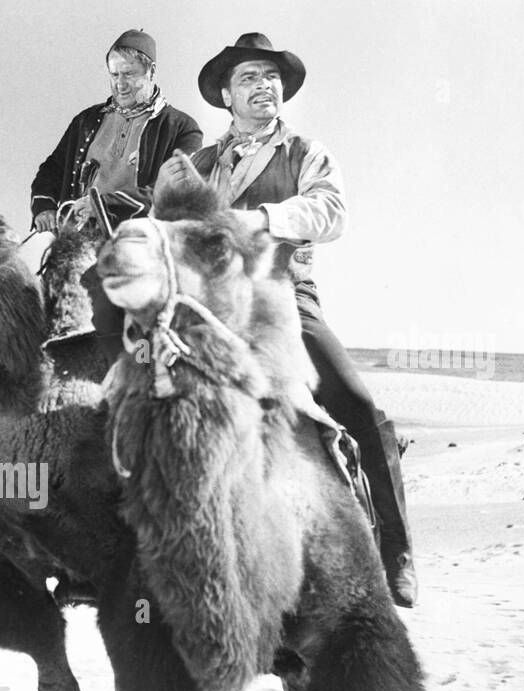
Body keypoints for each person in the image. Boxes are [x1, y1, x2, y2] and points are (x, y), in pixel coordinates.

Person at [182, 32, 417, 607]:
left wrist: (261, 217)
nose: (264, 86)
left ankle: (396, 552)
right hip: (212, 306)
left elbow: (331, 211)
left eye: (271, 77)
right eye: (250, 78)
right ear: (226, 96)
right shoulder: (198, 164)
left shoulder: (305, 153)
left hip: (285, 298)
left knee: (359, 406)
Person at [30, 29, 202, 234]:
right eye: (114, 74)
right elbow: (52, 169)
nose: (120, 85)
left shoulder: (182, 128)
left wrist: (102, 204)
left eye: (129, 74)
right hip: (76, 241)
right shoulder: (85, 120)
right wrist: (44, 207)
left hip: (139, 244)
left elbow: (174, 192)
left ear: (151, 72)